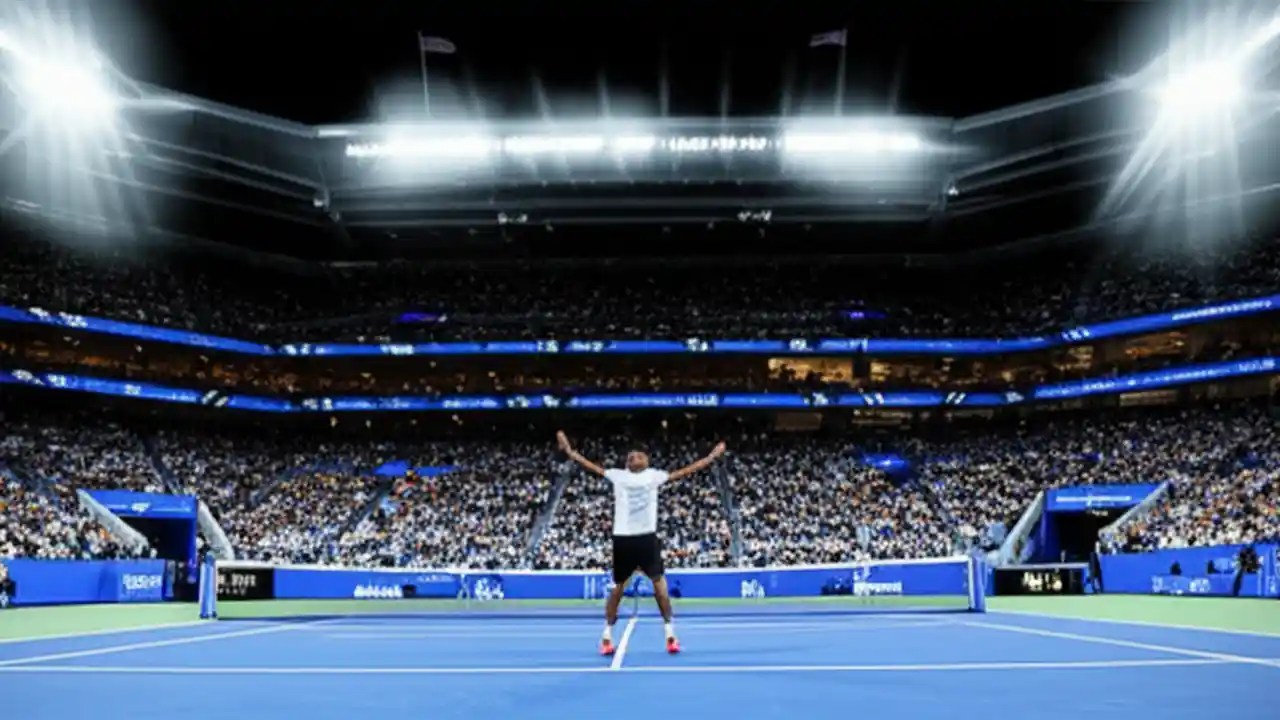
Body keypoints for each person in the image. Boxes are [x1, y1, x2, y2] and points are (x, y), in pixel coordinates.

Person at [556, 431, 726, 656]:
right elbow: (589, 465)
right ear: (627, 463)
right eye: (631, 456)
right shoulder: (617, 475)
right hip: (624, 539)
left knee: (661, 590)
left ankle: (670, 635)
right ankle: (606, 637)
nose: (634, 457)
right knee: (617, 590)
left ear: (647, 460)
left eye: (639, 455)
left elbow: (686, 471)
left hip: (647, 538)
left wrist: (711, 458)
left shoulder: (655, 476)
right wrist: (570, 452)